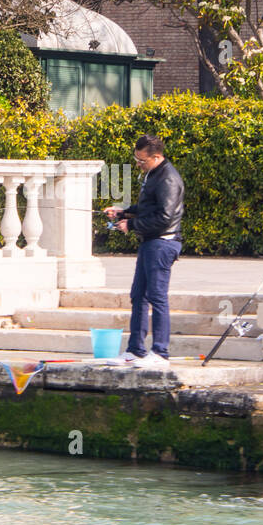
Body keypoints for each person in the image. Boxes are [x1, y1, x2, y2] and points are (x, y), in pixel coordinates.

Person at [102, 135, 184, 368]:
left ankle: (160, 352)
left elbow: (165, 217)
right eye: (136, 160)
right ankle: (135, 350)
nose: (139, 164)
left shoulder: (168, 179)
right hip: (150, 243)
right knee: (138, 295)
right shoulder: (153, 174)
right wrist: (124, 212)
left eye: (142, 161)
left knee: (157, 297)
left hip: (162, 243)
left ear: (156, 157)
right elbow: (148, 208)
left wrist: (133, 225)